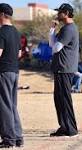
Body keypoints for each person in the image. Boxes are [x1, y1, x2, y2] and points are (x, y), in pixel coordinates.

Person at [49, 3, 79, 136]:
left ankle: (71, 129)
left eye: (60, 12)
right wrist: (52, 30)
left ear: (66, 13)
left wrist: (54, 39)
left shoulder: (69, 29)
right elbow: (52, 44)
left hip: (64, 68)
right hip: (61, 68)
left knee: (65, 98)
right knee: (59, 98)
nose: (58, 14)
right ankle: (64, 126)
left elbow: (56, 48)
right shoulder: (65, 28)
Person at [0, 3, 23, 148]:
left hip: (4, 71)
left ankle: (9, 139)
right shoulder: (16, 31)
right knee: (12, 105)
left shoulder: (1, 32)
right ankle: (18, 137)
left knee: (4, 106)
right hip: (15, 71)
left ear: (2, 14)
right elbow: (19, 53)